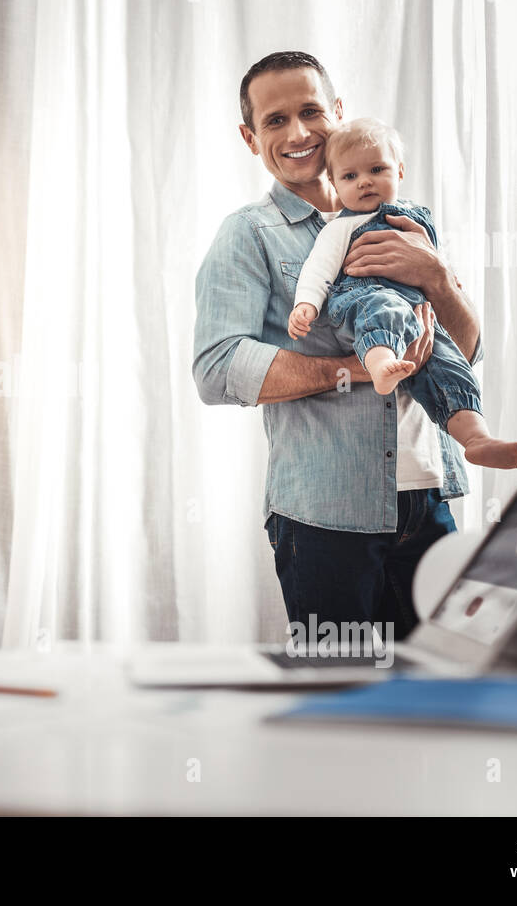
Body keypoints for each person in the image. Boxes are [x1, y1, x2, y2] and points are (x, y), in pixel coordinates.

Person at [191, 51, 483, 639]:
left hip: (427, 497)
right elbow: (217, 368)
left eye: (310, 111)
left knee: (443, 687)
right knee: (340, 693)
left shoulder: (407, 218)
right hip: (325, 517)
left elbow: (465, 355)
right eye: (275, 121)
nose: (298, 133)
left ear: (338, 112)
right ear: (251, 138)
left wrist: (438, 278)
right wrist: (353, 367)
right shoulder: (249, 234)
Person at [287, 117, 517, 470]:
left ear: (399, 172)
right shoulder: (341, 226)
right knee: (385, 307)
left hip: (420, 315)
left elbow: (439, 270)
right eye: (350, 177)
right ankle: (382, 363)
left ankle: (477, 437)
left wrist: (442, 275)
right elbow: (319, 268)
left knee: (449, 363)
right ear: (335, 187)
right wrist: (306, 304)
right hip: (364, 299)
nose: (365, 181)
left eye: (377, 169)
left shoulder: (418, 219)